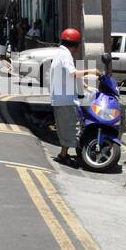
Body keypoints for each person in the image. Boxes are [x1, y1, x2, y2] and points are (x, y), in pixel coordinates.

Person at [50, 27, 86, 164]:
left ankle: (64, 154)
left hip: (61, 97)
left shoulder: (60, 53)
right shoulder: (66, 55)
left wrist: (84, 86)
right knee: (71, 127)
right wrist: (92, 71)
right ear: (76, 45)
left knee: (67, 126)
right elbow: (72, 73)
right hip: (65, 99)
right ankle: (63, 155)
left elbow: (66, 75)